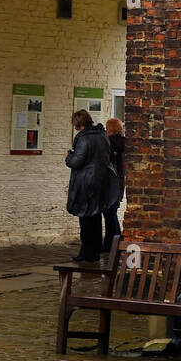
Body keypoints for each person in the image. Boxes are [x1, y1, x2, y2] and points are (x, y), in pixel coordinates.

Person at [65, 110, 119, 263]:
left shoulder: (84, 139)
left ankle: (87, 252)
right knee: (95, 217)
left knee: (85, 219)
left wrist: (68, 157)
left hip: (86, 183)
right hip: (100, 181)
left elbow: (76, 161)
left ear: (78, 124)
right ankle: (94, 250)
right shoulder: (102, 136)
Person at [101, 117, 126, 254]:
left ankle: (112, 243)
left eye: (107, 127)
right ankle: (114, 242)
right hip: (119, 182)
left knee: (109, 214)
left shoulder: (110, 143)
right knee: (111, 213)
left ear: (110, 129)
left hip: (111, 183)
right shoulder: (122, 142)